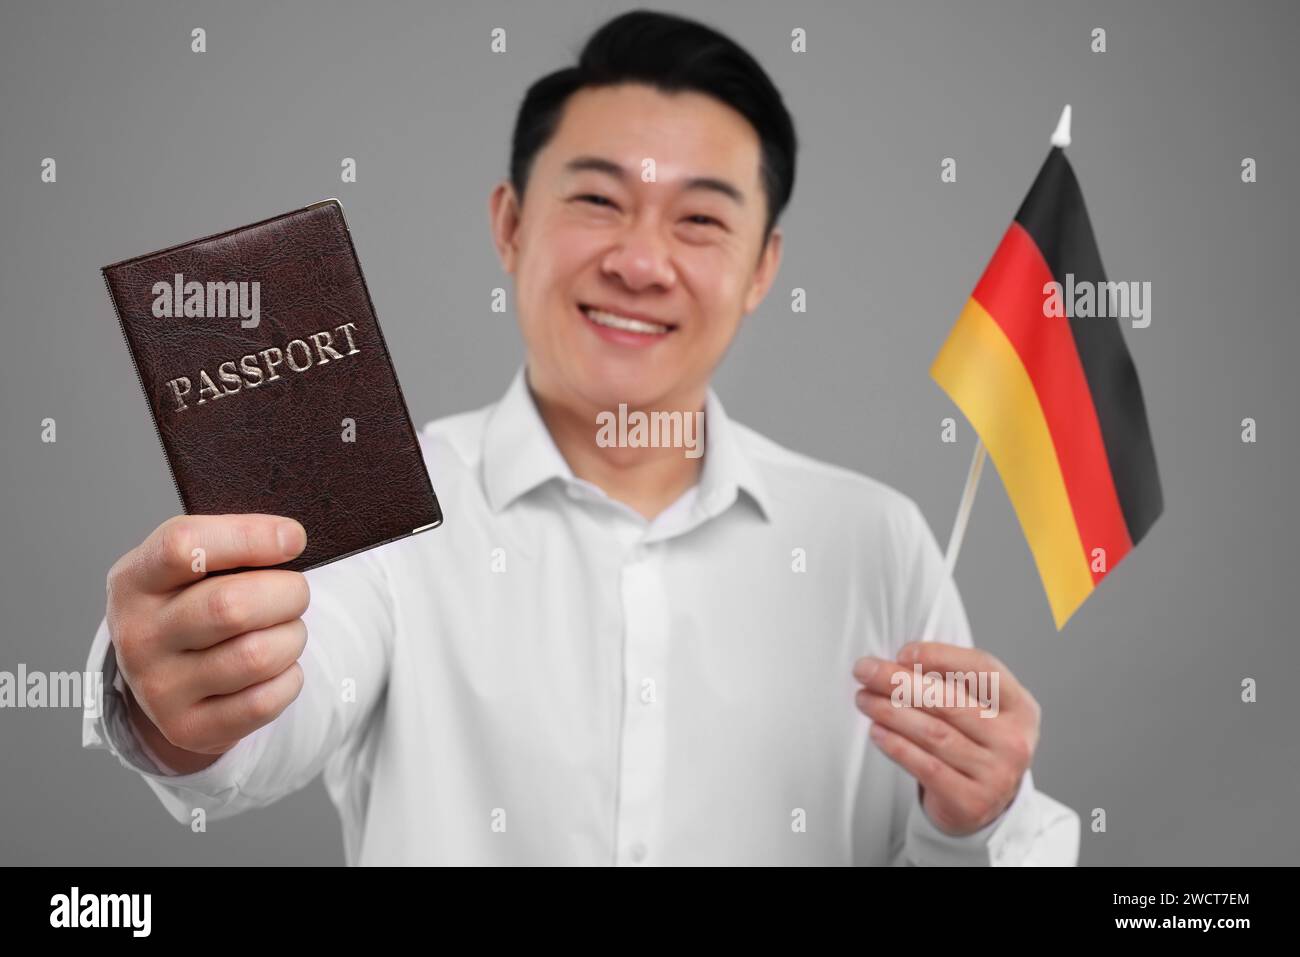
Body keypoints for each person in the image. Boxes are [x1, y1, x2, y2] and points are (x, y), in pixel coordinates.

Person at [82, 9, 1079, 865]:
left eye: (699, 220)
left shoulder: (879, 541)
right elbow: (260, 732)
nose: (640, 261)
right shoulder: (386, 502)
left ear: (763, 268)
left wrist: (978, 816)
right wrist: (171, 703)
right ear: (509, 225)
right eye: (597, 200)